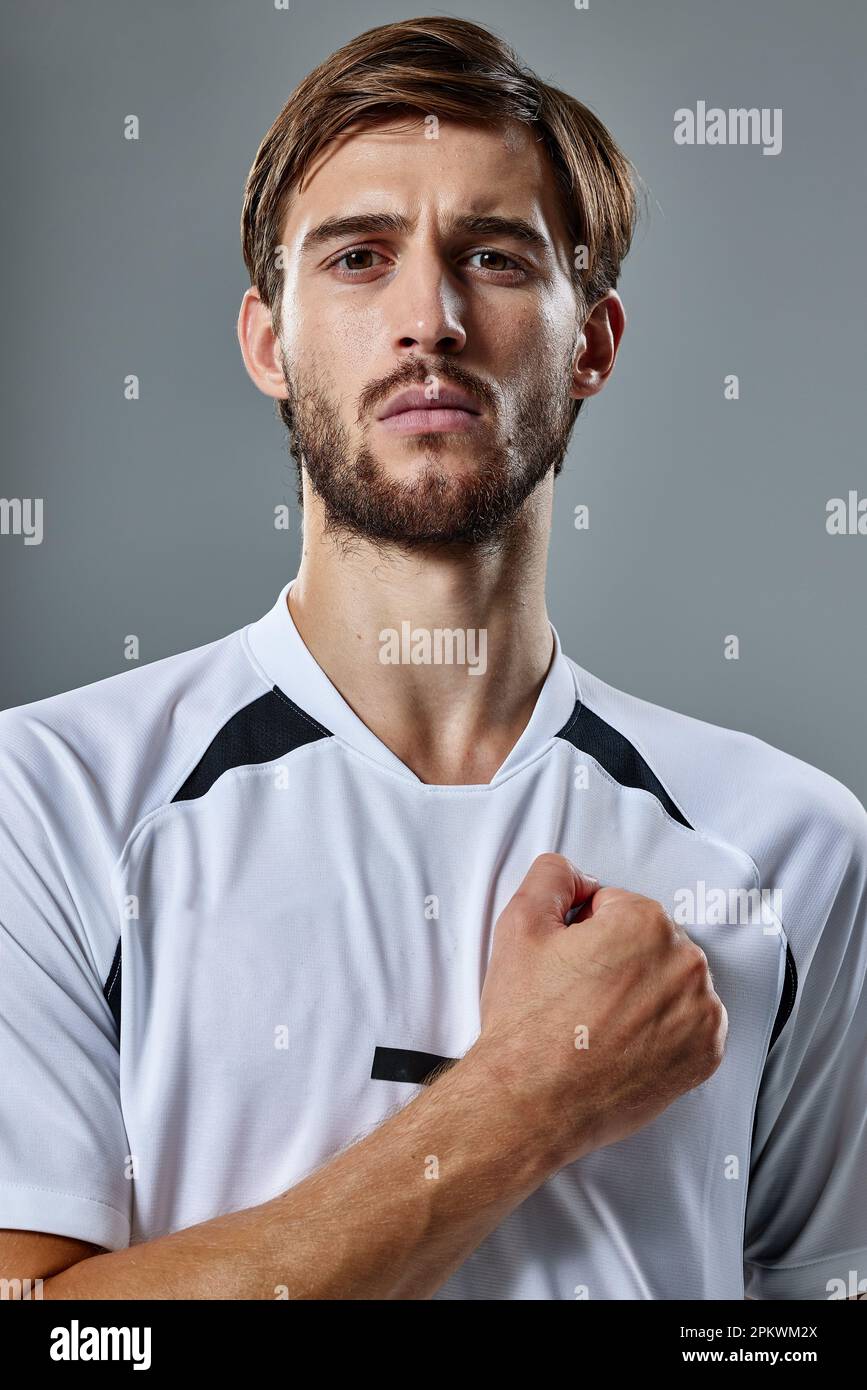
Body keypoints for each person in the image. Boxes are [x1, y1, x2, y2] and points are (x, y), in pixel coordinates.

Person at [0, 16, 864, 1301]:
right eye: (359, 257)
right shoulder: (51, 799)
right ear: (267, 344)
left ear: (595, 345)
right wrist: (529, 1096)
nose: (431, 319)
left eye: (496, 257)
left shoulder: (789, 844)